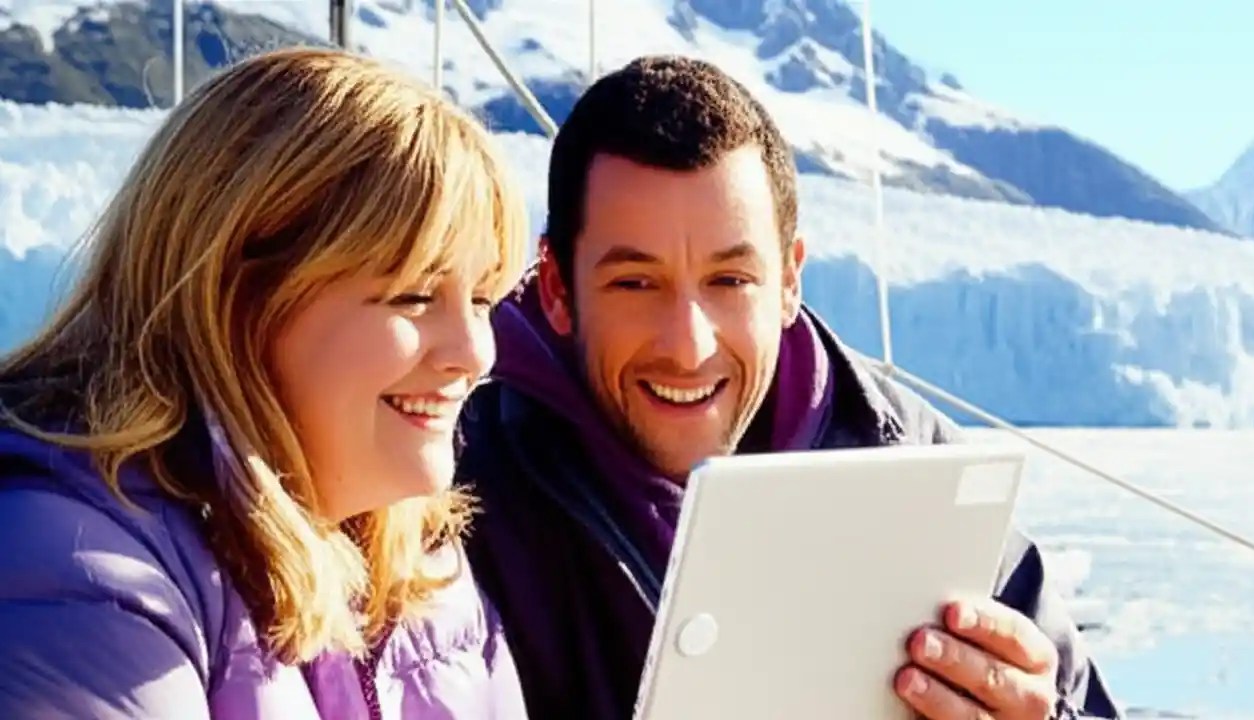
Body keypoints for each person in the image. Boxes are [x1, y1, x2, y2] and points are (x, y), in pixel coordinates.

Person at [458, 55, 1122, 720]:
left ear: (790, 279)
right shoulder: (457, 501)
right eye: (635, 283)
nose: (689, 346)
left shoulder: (908, 459)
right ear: (556, 287)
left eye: (730, 281)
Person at [0, 48, 529, 719]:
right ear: (240, 301)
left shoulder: (419, 573)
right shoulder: (73, 579)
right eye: (414, 296)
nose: (473, 353)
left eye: (482, 299)